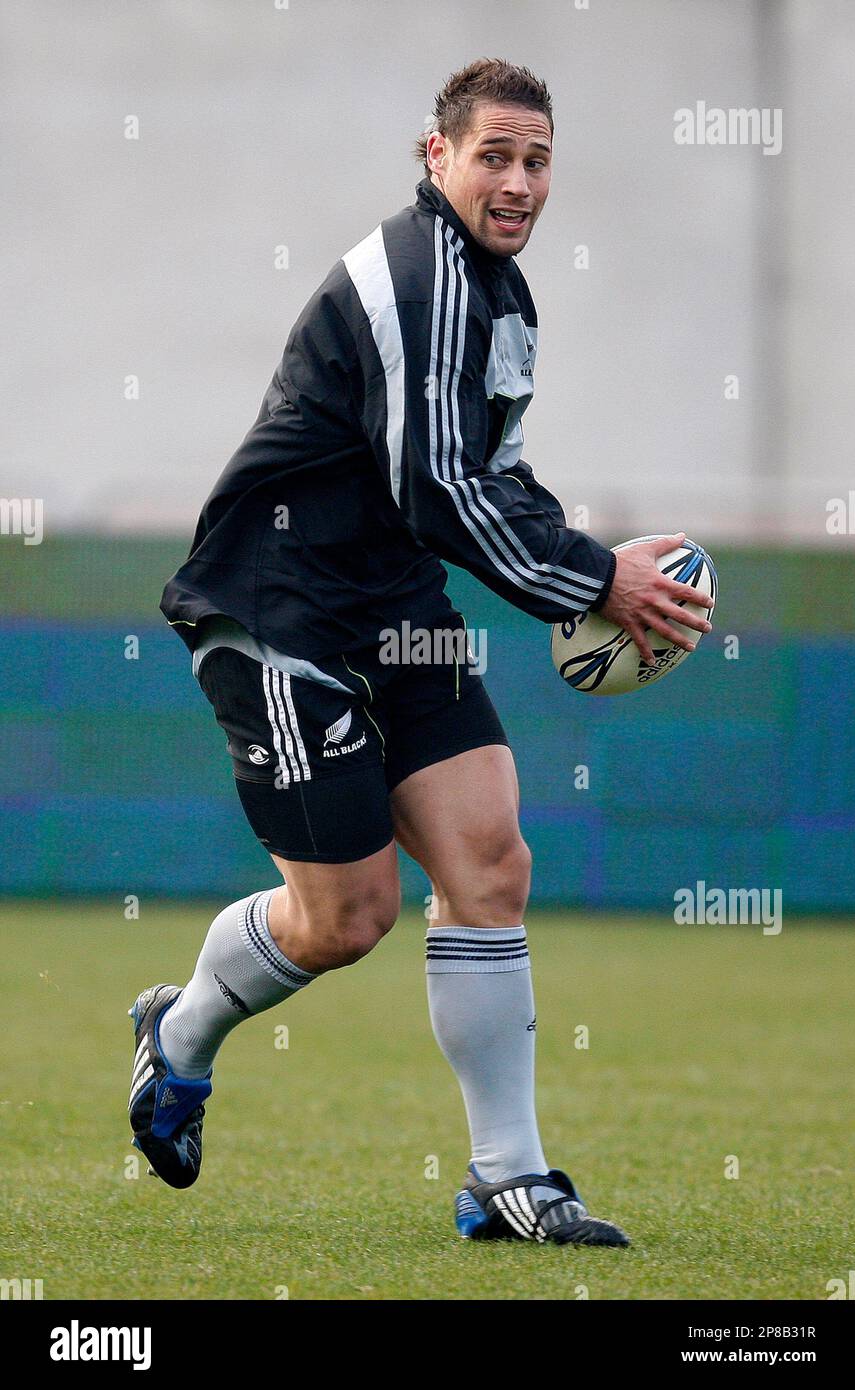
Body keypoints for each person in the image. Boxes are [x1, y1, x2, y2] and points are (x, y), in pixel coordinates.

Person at [128, 58, 711, 1247]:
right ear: (433, 157)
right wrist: (598, 580)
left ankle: (509, 1176)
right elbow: (437, 484)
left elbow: (488, 471)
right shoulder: (418, 281)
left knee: (490, 861)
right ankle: (177, 1032)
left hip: (393, 603)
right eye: (491, 155)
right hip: (279, 611)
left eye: (535, 159)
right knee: (346, 917)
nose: (515, 180)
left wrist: (583, 556)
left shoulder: (501, 296)